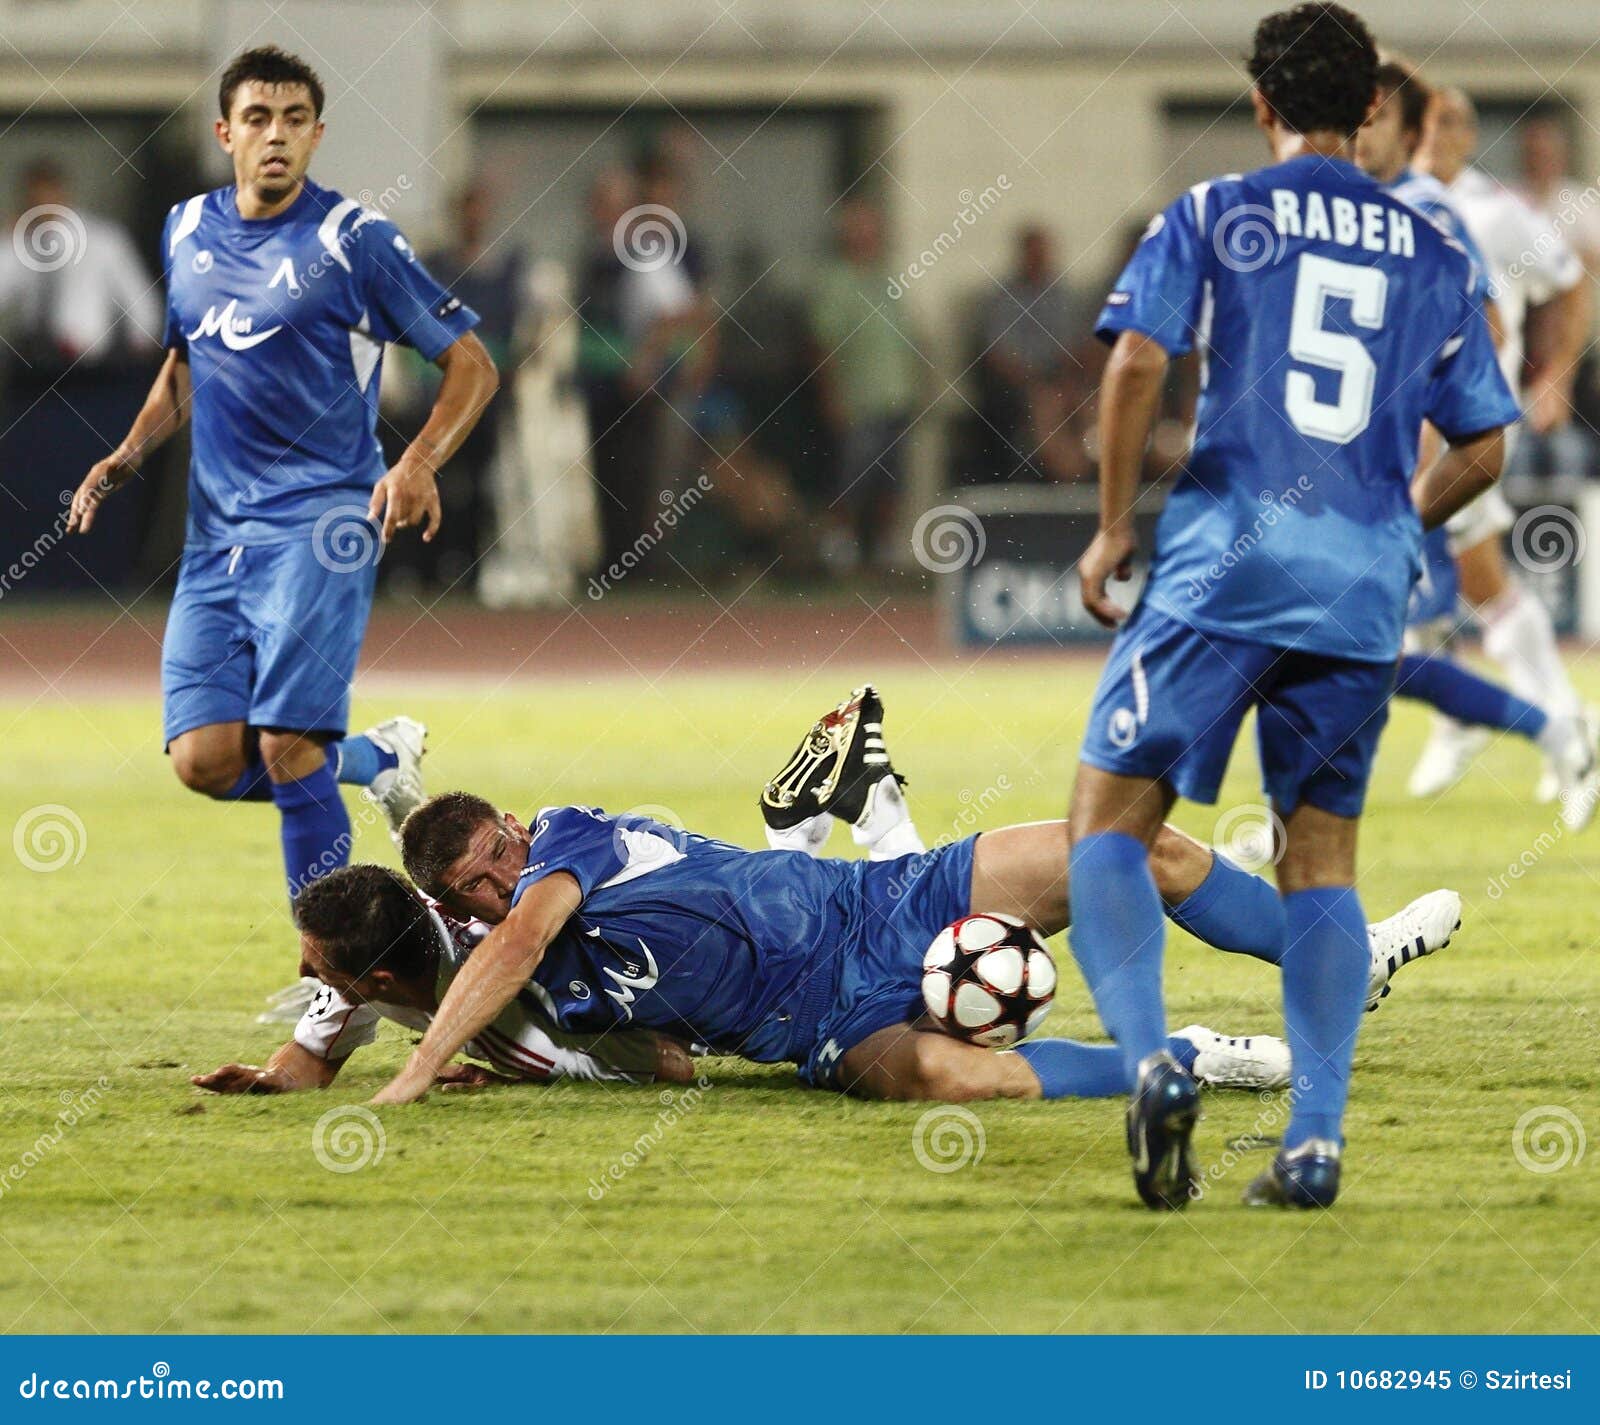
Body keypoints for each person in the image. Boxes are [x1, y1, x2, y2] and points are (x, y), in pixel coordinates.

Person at [1068, 4, 1519, 1210]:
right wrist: (1388, 526)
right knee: (1320, 858)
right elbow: (1483, 447)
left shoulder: (1216, 214)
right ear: (1374, 109)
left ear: (1260, 103)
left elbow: (1134, 360)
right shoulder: (1434, 252)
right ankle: (1314, 1142)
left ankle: (1154, 1058)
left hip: (1226, 565)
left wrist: (1115, 523)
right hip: (1363, 586)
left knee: (1108, 824)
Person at [358, 686, 1458, 1111]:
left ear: (512, 828)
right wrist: (531, 1066)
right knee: (938, 1078)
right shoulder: (547, 984)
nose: (500, 889)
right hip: (829, 1027)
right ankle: (1178, 1060)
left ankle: (1339, 963)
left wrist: (412, 1068)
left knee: (1130, 843)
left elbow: (520, 939)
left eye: (495, 862)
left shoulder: (564, 842)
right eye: (475, 892)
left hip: (875, 903)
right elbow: (672, 1061)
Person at [64, 45, 499, 1015]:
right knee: (206, 760)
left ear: (314, 132)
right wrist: (129, 454)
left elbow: (471, 363)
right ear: (225, 133)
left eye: (293, 117)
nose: (274, 134)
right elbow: (186, 363)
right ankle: (378, 760)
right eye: (256, 117)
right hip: (217, 537)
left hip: (324, 524)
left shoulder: (353, 239)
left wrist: (417, 458)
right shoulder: (185, 231)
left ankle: (330, 982)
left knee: (288, 748)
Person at [1358, 70, 1595, 810]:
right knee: (1469, 579)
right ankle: (1542, 725)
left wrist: (1554, 374)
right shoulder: (1383, 200)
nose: (1437, 133)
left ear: (1465, 134)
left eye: (1453, 122)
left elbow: (1569, 282)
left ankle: (1543, 725)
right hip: (1398, 421)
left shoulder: (1493, 212)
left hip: (1465, 422)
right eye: (1427, 120)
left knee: (1443, 575)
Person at [193, 864, 695, 1094]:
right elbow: (309, 1060)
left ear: (382, 983)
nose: (303, 973)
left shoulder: (516, 1029)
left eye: (319, 967)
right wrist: (269, 1079)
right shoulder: (395, 928)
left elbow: (672, 1064)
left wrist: (517, 1077)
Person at [0, 160, 163, 592]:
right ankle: (37, 578)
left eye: (49, 195)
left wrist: (131, 358)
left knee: (94, 484)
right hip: (37, 383)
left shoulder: (103, 240)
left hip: (96, 382)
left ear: (64, 193)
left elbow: (145, 313)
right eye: (35, 198)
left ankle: (104, 576)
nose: (44, 205)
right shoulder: (24, 244)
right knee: (32, 486)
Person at [809, 198, 921, 569]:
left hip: (895, 399)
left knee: (893, 480)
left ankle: (886, 550)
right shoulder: (836, 283)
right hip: (859, 401)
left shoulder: (886, 280)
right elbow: (822, 345)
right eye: (860, 229)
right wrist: (832, 397)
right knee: (851, 477)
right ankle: (839, 547)